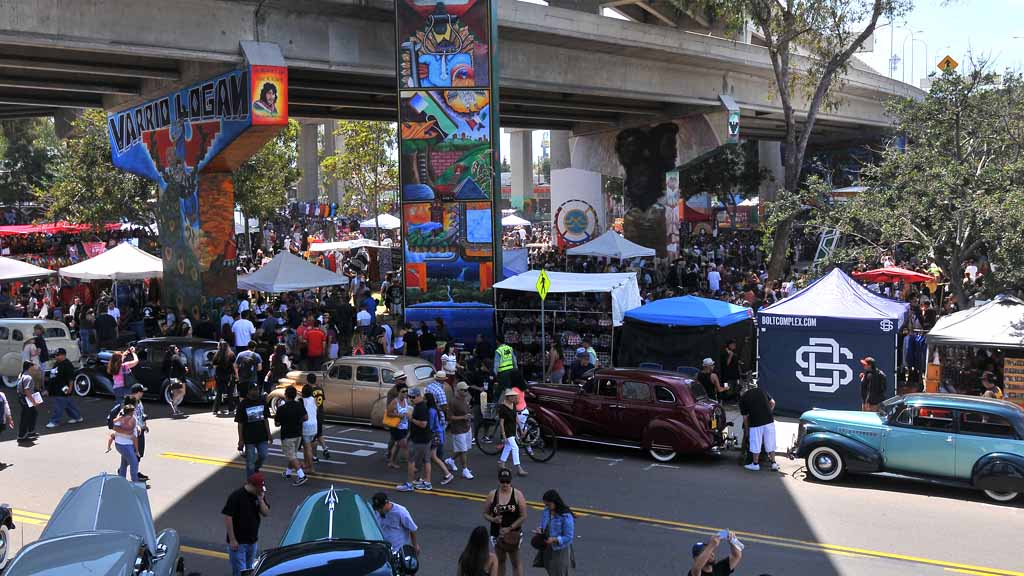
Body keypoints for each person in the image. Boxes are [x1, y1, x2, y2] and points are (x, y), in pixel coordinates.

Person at [222, 472, 271, 576]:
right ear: (252, 486)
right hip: (238, 543)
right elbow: (228, 517)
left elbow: (266, 513)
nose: (261, 490)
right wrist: (232, 540)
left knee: (249, 571)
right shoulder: (236, 496)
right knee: (240, 572)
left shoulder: (258, 495)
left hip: (252, 541)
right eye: (260, 488)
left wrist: (261, 500)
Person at [483, 467, 528, 576]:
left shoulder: (517, 495)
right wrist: (493, 519)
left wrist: (510, 528)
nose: (505, 484)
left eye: (507, 481)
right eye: (502, 481)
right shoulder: (492, 495)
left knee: (515, 562)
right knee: (501, 561)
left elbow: (523, 516)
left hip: (513, 534)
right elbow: (485, 513)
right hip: (497, 534)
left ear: (511, 481)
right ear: (499, 481)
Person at [397, 387, 432, 491]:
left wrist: (411, 418)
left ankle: (410, 484)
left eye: (413, 397)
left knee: (411, 461)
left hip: (419, 439)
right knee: (426, 460)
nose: (411, 399)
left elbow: (423, 424)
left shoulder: (420, 408)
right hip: (424, 438)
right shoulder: (420, 406)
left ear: (419, 396)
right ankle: (427, 482)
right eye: (409, 397)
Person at [274, 385, 308, 486]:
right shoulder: (299, 405)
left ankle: (302, 476)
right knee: (293, 454)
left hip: (287, 435)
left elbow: (277, 423)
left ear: (285, 395)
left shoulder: (281, 409)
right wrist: (298, 421)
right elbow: (306, 417)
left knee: (291, 456)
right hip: (298, 434)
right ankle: (288, 472)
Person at [536, 490, 575, 576]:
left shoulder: (566, 516)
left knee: (559, 572)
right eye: (545, 504)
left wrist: (554, 539)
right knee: (550, 569)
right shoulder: (546, 511)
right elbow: (544, 524)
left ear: (555, 502)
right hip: (548, 547)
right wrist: (541, 529)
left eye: (548, 504)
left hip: (560, 550)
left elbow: (569, 537)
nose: (547, 507)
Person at [739, 386, 778, 472]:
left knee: (755, 442)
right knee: (770, 442)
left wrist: (747, 430)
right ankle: (774, 463)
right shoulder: (761, 390)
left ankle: (755, 464)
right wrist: (768, 413)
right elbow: (773, 402)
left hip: (755, 422)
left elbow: (745, 418)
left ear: (741, 393)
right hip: (769, 420)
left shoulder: (742, 399)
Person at [236, 384, 272, 478]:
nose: (256, 392)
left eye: (257, 389)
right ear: (249, 391)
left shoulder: (262, 401)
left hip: (262, 436)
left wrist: (269, 434)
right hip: (249, 438)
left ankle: (256, 467)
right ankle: (250, 481)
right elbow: (240, 423)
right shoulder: (243, 404)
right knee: (250, 462)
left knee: (264, 455)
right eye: (254, 390)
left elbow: (265, 419)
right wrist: (241, 439)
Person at [45, 348, 83, 428]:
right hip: (56, 387)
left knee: (58, 405)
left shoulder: (67, 365)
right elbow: (53, 375)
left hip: (63, 388)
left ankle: (54, 421)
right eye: (55, 355)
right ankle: (77, 417)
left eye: (57, 355)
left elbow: (71, 378)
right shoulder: (57, 363)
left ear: (63, 355)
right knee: (68, 403)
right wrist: (48, 389)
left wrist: (70, 388)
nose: (55, 357)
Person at [498, 389, 527, 476]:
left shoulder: (513, 405)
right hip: (507, 431)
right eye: (513, 396)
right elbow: (501, 423)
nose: (515, 397)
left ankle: (501, 463)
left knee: (508, 447)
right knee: (515, 448)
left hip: (512, 429)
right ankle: (519, 468)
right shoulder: (503, 408)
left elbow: (516, 417)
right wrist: (503, 435)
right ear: (508, 397)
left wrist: (520, 430)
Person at [109, 398, 140, 482]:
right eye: (136, 403)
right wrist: (128, 433)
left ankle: (121, 482)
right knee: (134, 463)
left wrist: (138, 427)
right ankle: (135, 485)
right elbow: (115, 427)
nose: (138, 405)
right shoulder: (123, 415)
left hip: (126, 444)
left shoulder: (130, 413)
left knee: (124, 464)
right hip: (124, 445)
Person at [450, 381, 475, 479]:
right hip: (458, 429)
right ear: (459, 390)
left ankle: (451, 460)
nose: (466, 391)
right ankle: (464, 469)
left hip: (466, 427)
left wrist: (469, 416)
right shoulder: (453, 402)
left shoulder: (465, 399)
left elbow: (467, 412)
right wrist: (463, 417)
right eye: (464, 390)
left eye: (466, 390)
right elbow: (450, 417)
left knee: (464, 448)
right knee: (463, 450)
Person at [387, 381, 411, 470]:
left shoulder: (406, 400)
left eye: (406, 391)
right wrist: (398, 415)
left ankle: (391, 462)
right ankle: (411, 465)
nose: (405, 393)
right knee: (404, 445)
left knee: (397, 445)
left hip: (404, 426)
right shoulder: (394, 402)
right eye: (403, 391)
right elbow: (388, 413)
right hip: (396, 427)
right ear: (398, 392)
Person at [308, 374, 331, 461]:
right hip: (321, 413)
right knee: (319, 434)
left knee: (313, 438)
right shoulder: (320, 389)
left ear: (308, 381)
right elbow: (322, 400)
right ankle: (325, 448)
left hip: (313, 415)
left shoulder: (310, 390)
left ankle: (314, 456)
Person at [15, 361, 39, 443]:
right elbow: (27, 390)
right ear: (30, 367)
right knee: (25, 417)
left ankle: (30, 432)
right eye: (33, 365)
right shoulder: (28, 377)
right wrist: (33, 401)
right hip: (26, 399)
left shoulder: (22, 374)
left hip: (22, 398)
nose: (35, 367)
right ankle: (21, 436)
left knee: (33, 413)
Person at [163, 345, 189, 418]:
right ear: (174, 350)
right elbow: (182, 366)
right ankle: (173, 404)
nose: (178, 350)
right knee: (182, 392)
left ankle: (175, 410)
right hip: (179, 378)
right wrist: (185, 369)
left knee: (175, 393)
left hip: (172, 378)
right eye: (176, 349)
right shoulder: (176, 357)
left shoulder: (168, 357)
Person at [212, 340, 236, 415]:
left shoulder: (217, 355)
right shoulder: (231, 354)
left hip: (219, 376)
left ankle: (215, 409)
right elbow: (234, 366)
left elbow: (214, 365)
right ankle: (231, 409)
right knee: (230, 393)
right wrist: (237, 375)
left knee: (219, 393)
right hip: (229, 376)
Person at [301, 384, 318, 473]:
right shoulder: (314, 400)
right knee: (308, 446)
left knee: (307, 448)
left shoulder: (302, 401)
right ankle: (306, 463)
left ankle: (311, 468)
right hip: (314, 425)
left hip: (306, 426)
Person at [493, 335, 517, 399]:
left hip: (503, 373)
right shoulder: (509, 348)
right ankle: (510, 404)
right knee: (509, 388)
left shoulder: (499, 350)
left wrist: (495, 374)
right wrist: (516, 369)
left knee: (499, 390)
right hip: (511, 371)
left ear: (497, 341)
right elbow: (514, 360)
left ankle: (495, 404)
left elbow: (496, 364)